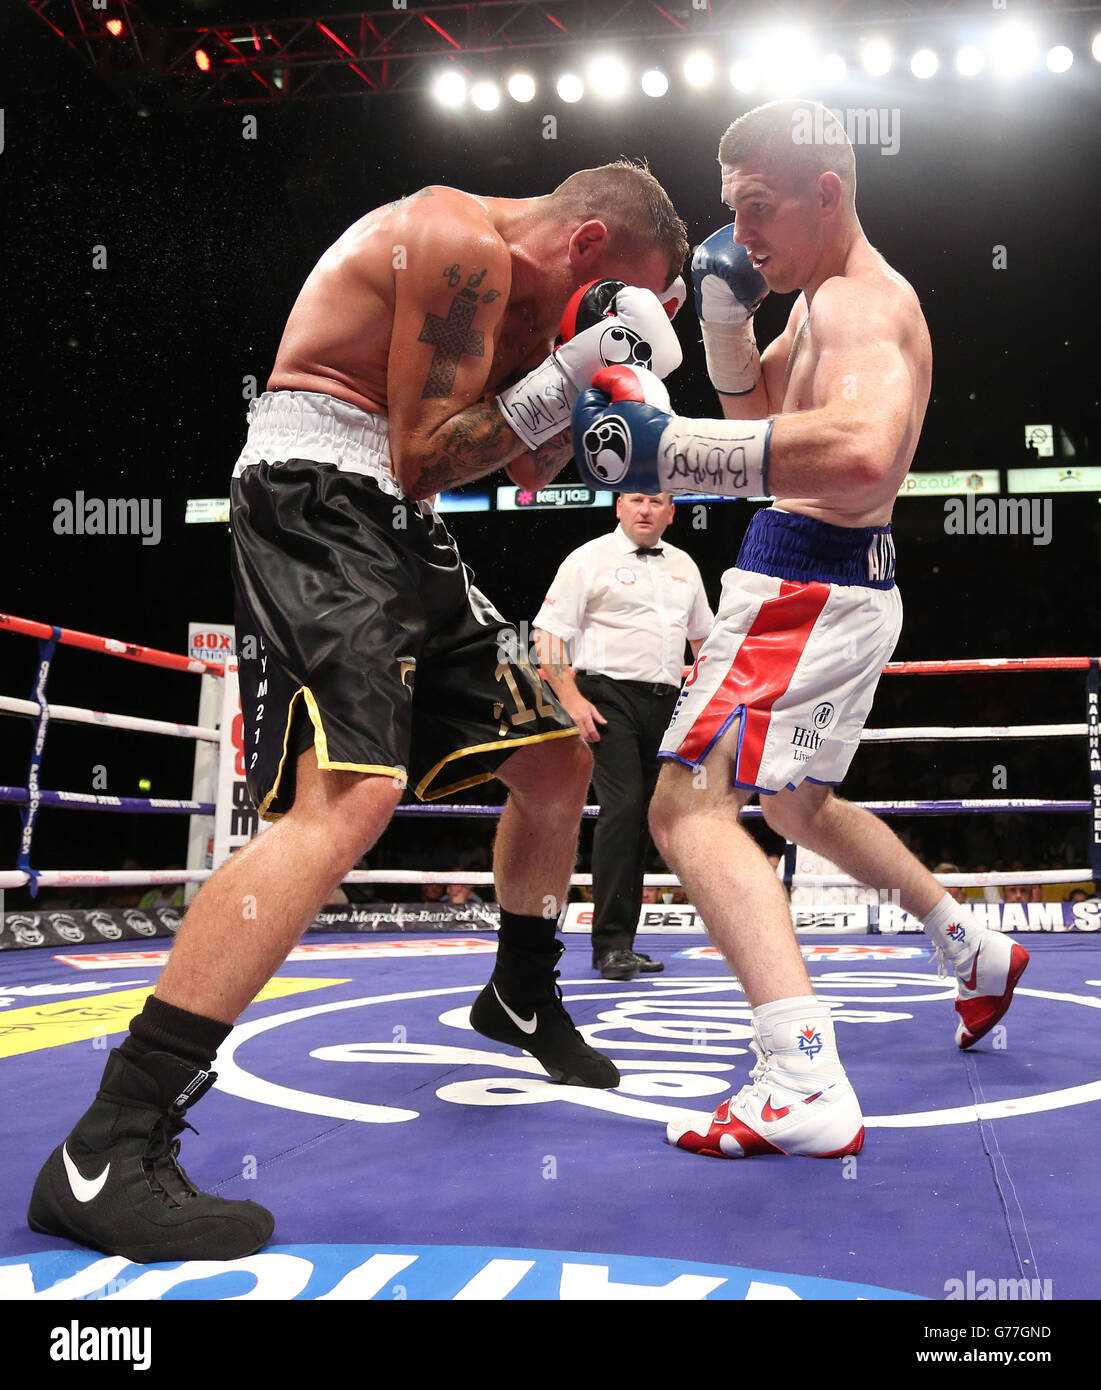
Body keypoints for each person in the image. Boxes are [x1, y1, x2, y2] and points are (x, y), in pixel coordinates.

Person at [28, 162, 690, 1261]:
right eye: (621, 295)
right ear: (587, 251)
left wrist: (604, 403)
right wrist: (578, 357)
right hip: (313, 492)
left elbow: (518, 467)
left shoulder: (538, 313)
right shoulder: (454, 242)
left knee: (552, 759)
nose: (614, 318)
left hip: (404, 526)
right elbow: (424, 449)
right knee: (350, 797)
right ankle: (109, 1139)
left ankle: (521, 996)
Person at [571, 99, 1029, 1161]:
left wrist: (660, 454)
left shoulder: (864, 306)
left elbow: (862, 454)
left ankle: (801, 1073)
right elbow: (756, 421)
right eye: (733, 212)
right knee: (797, 804)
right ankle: (974, 948)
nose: (745, 235)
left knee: (687, 807)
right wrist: (727, 325)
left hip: (805, 584)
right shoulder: (819, 302)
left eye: (760, 209)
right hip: (838, 582)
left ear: (829, 193)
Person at [533, 492, 712, 979]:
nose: (645, 510)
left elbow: (704, 642)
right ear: (618, 506)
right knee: (625, 806)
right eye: (635, 500)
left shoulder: (684, 565)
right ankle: (609, 944)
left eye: (656, 502)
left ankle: (622, 943)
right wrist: (570, 699)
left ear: (672, 512)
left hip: (667, 703)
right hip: (606, 697)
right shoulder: (588, 558)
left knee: (650, 817)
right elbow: (546, 635)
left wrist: (712, 705)